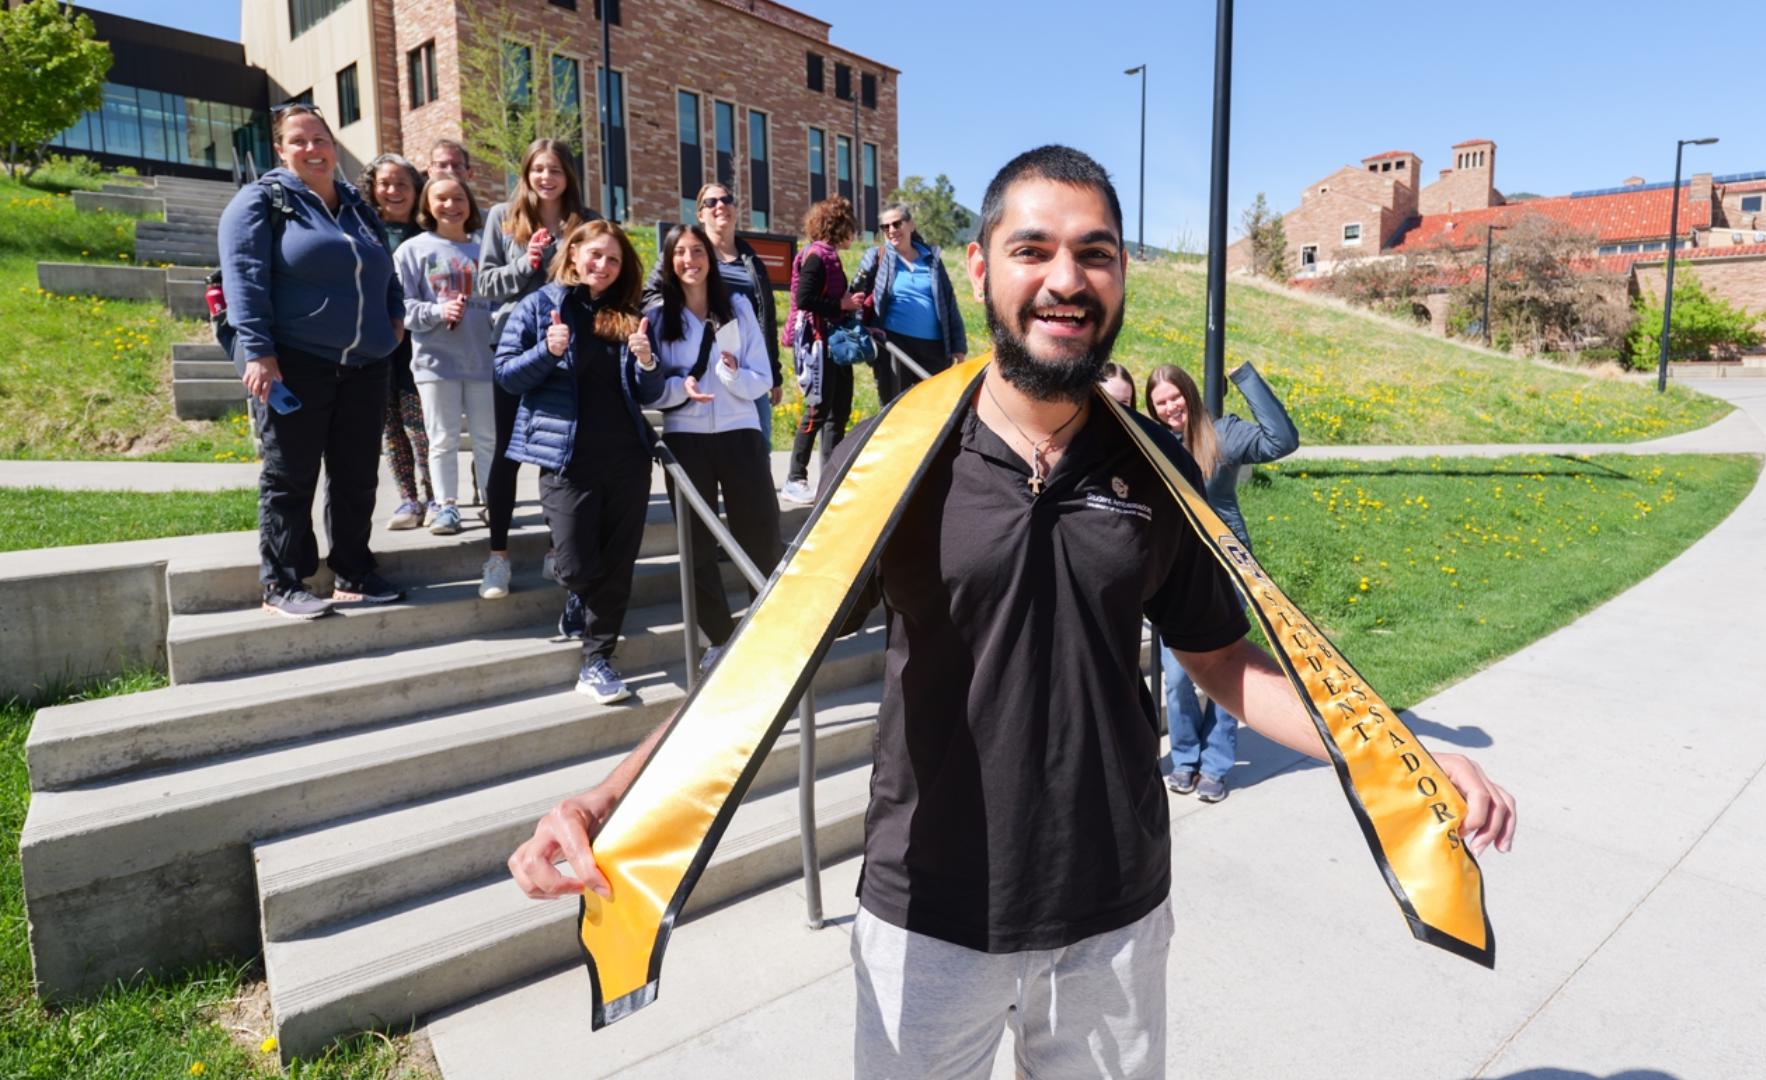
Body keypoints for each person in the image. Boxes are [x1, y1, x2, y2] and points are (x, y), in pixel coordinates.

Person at [506, 145, 1516, 1078]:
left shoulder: (1152, 466)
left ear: (1120, 279)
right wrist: (608, 803)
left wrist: (1394, 756)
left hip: (1114, 915)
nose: (1066, 278)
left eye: (1095, 254)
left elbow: (1221, 660)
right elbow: (765, 664)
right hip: (928, 916)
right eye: (1033, 250)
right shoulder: (894, 456)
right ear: (981, 270)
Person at [217, 104, 406, 619]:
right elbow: (243, 279)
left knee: (357, 475)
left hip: (366, 363)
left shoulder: (356, 205)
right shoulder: (260, 201)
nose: (312, 149)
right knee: (291, 475)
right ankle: (281, 581)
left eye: (319, 138)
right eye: (298, 141)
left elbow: (385, 270)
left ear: (332, 144)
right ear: (280, 149)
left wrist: (394, 318)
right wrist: (258, 351)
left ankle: (354, 572)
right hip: (296, 361)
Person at [494, 220, 663, 704]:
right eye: (595, 255)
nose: (603, 266)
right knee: (575, 563)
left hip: (627, 457)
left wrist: (648, 363)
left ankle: (597, 661)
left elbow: (648, 393)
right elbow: (506, 374)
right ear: (573, 254)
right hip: (566, 459)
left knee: (618, 564)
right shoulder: (539, 305)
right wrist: (547, 352)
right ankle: (576, 594)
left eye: (613, 260)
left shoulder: (628, 314)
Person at [1145, 363, 1300, 803]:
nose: (1170, 407)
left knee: (1227, 669)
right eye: (1160, 402)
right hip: (1174, 575)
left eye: (1175, 396)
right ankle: (1185, 756)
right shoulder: (1153, 443)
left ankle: (1216, 763)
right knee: (1178, 679)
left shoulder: (1221, 434)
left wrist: (1245, 379)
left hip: (1225, 572)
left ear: (1190, 394)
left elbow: (1282, 441)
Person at [645, 223, 781, 670]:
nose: (690, 260)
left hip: (741, 433)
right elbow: (652, 391)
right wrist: (680, 389)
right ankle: (719, 638)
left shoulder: (737, 307)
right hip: (685, 439)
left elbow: (761, 378)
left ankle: (765, 632)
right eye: (680, 253)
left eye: (697, 251)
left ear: (709, 256)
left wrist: (730, 375)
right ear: (669, 262)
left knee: (759, 535)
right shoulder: (660, 316)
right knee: (696, 545)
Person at [476, 140, 599, 599]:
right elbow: (486, 283)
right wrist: (525, 263)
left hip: (568, 345)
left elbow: (598, 278)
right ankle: (497, 557)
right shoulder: (502, 218)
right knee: (507, 452)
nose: (546, 178)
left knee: (561, 450)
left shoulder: (585, 221)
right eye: (538, 170)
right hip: (514, 343)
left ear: (569, 176)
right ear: (526, 174)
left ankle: (556, 549)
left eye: (556, 170)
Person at [643, 182, 783, 453]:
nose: (720, 205)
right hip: (695, 368)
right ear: (700, 214)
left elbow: (765, 317)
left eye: (727, 199)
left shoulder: (751, 260)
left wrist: (774, 372)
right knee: (702, 459)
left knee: (757, 450)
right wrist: (689, 312)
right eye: (711, 202)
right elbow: (650, 298)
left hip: (742, 368)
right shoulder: (684, 255)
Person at [396, 175, 494, 536]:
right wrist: (439, 312)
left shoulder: (487, 250)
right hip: (436, 363)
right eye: (442, 199)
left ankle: (493, 503)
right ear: (427, 205)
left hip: (485, 362)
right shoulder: (412, 250)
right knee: (442, 440)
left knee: (487, 439)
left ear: (470, 204)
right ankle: (446, 507)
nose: (451, 206)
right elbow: (402, 308)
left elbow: (501, 300)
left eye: (459, 198)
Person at [360, 153, 436, 529]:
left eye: (402, 183)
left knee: (419, 426)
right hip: (375, 339)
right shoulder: (363, 228)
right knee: (390, 426)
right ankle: (409, 500)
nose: (393, 190)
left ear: (416, 189)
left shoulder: (428, 231)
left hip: (419, 342)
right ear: (372, 189)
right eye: (385, 183)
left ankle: (436, 496)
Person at [780, 196, 864, 504]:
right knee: (817, 412)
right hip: (819, 345)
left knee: (837, 413)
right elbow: (805, 298)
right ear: (839, 226)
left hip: (832, 345)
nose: (854, 233)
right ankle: (795, 478)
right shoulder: (817, 256)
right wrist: (842, 304)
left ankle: (831, 478)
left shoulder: (828, 255)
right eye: (851, 227)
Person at [852, 202, 970, 405]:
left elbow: (949, 302)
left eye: (897, 224)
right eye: (885, 227)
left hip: (934, 349)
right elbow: (856, 295)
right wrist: (863, 328)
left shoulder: (931, 259)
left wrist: (958, 346)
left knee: (933, 410)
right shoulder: (877, 257)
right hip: (894, 347)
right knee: (895, 409)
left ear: (911, 225)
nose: (891, 230)